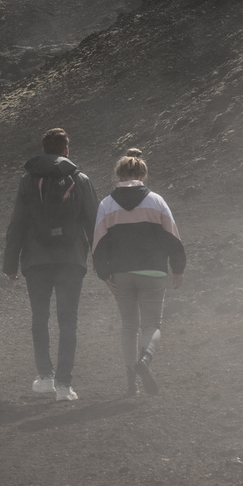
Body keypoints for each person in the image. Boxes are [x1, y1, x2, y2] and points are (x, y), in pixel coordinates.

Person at [4, 127, 99, 401]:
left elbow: (17, 222)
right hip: (70, 259)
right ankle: (63, 386)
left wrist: (11, 263)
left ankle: (44, 378)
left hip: (36, 260)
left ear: (43, 150)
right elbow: (94, 222)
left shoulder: (27, 181)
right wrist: (100, 260)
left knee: (39, 318)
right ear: (66, 150)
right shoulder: (80, 179)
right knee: (68, 320)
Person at [91, 149, 185, 397]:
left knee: (128, 326)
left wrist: (103, 273)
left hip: (120, 273)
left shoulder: (106, 204)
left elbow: (98, 243)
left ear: (118, 175)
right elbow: (172, 237)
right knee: (152, 324)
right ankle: (145, 359)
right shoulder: (156, 201)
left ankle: (131, 383)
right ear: (142, 174)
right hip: (153, 270)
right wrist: (178, 268)